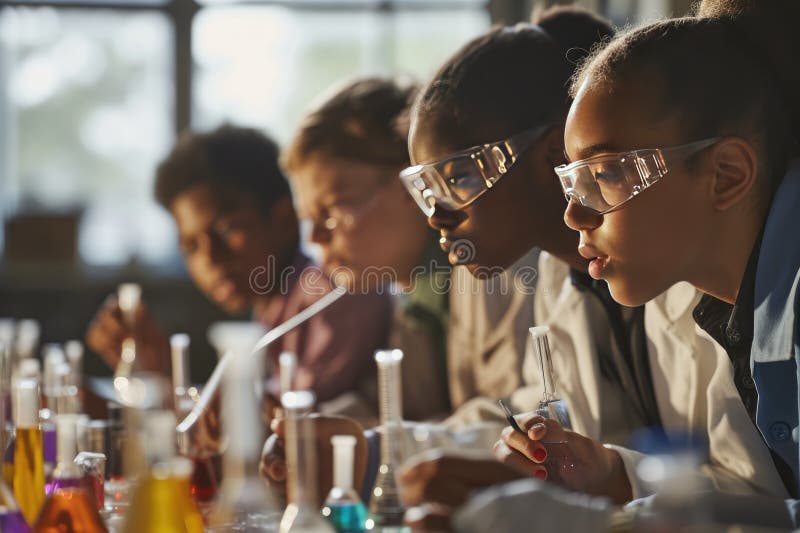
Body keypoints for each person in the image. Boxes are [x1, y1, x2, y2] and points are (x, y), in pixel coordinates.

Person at [396, 9, 787, 529]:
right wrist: (610, 474)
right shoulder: (575, 274)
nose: (437, 218)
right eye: (425, 191)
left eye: (458, 178)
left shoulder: (693, 263)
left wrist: (607, 513)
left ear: (551, 152)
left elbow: (751, 485)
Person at [85, 125, 391, 405]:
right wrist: (159, 376)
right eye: (191, 247)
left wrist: (164, 387)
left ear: (284, 219)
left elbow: (291, 435)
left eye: (227, 229)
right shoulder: (271, 312)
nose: (211, 259)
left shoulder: (333, 298)